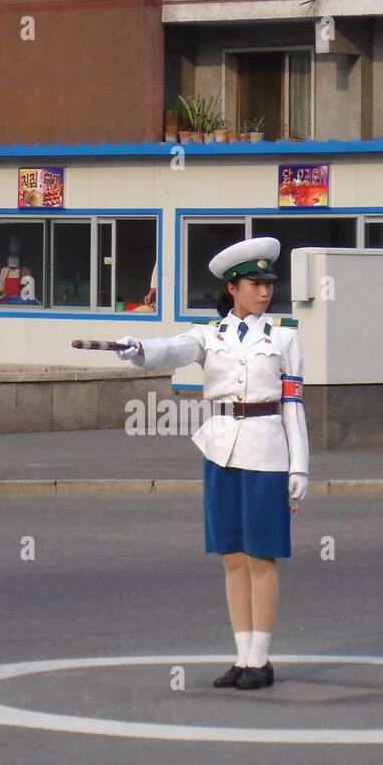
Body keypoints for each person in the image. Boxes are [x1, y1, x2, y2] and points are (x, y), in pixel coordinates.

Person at [116, 237, 308, 691]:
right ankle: (242, 659)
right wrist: (136, 347)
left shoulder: (284, 335)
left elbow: (294, 405)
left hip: (267, 450)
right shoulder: (210, 334)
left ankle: (261, 659)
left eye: (267, 283)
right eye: (253, 283)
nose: (264, 291)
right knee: (232, 557)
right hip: (220, 448)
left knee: (261, 555)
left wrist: (299, 466)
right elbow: (172, 349)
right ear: (232, 287)